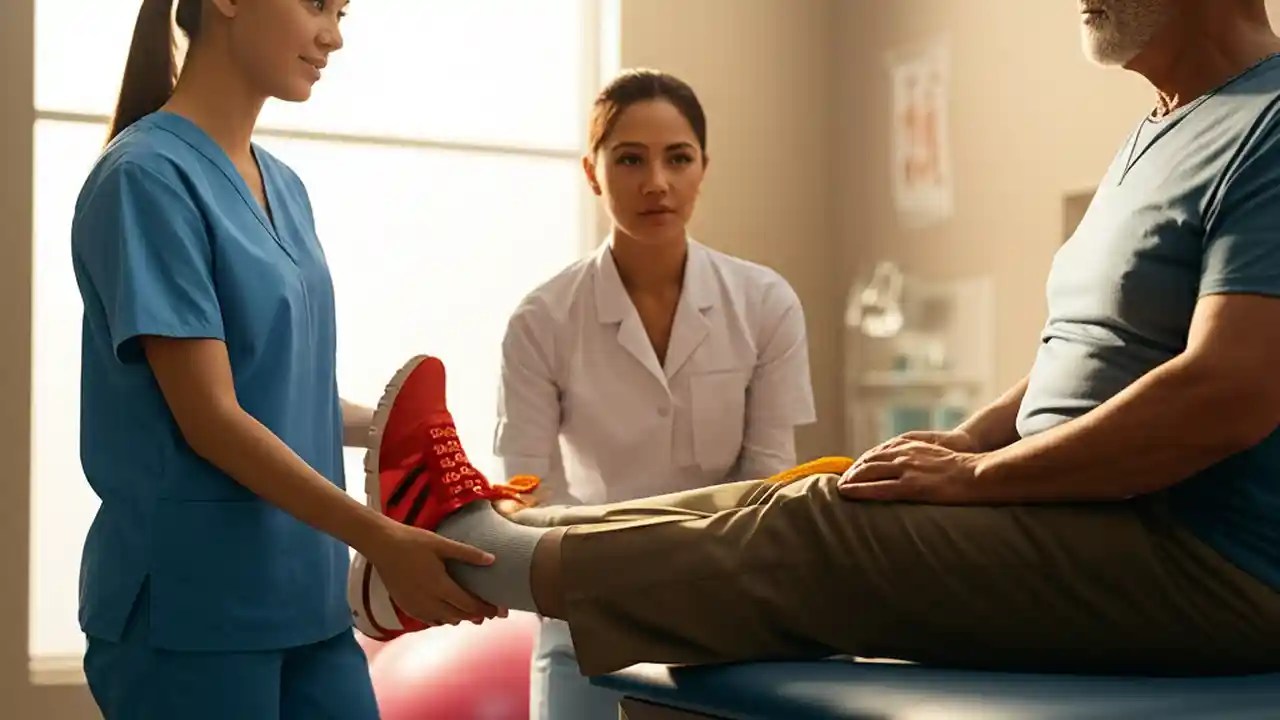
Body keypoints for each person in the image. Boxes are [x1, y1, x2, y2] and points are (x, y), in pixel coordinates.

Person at [350, 0, 1280, 683]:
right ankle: (464, 543)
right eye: (629, 160)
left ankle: (461, 559)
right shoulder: (1155, 130)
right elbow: (1082, 355)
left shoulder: (1268, 124)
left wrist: (981, 479)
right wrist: (968, 442)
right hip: (1085, 515)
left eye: (677, 159)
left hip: (1205, 561)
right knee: (810, 492)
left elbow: (1230, 390)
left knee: (821, 525)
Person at [71, 2, 500, 717]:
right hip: (191, 614)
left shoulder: (285, 188)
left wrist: (403, 430)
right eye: (315, 5)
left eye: (340, 11)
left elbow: (278, 396)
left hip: (309, 601)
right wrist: (381, 538)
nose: (333, 34)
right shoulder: (145, 178)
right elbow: (211, 417)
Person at [494, 69, 816, 718]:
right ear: (593, 172)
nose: (656, 183)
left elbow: (768, 481)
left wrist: (693, 575)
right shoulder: (542, 319)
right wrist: (614, 576)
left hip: (726, 596)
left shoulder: (765, 304)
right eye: (630, 159)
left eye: (678, 158)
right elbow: (527, 496)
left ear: (704, 168)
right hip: (582, 602)